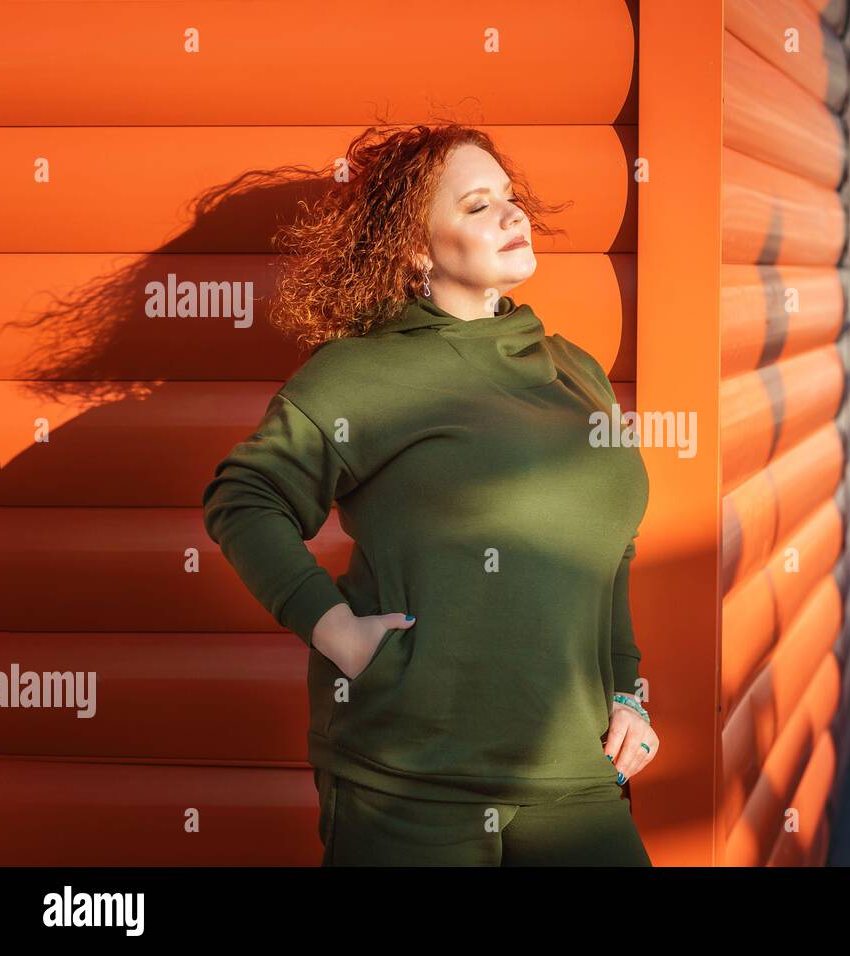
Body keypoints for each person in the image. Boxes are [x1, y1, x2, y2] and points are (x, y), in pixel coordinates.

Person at [202, 122, 659, 865]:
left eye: (510, 199)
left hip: (574, 769)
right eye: (477, 206)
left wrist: (627, 691)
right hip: (410, 779)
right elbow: (244, 496)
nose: (512, 216)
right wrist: (337, 631)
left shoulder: (577, 371)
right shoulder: (366, 374)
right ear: (415, 247)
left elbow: (610, 548)